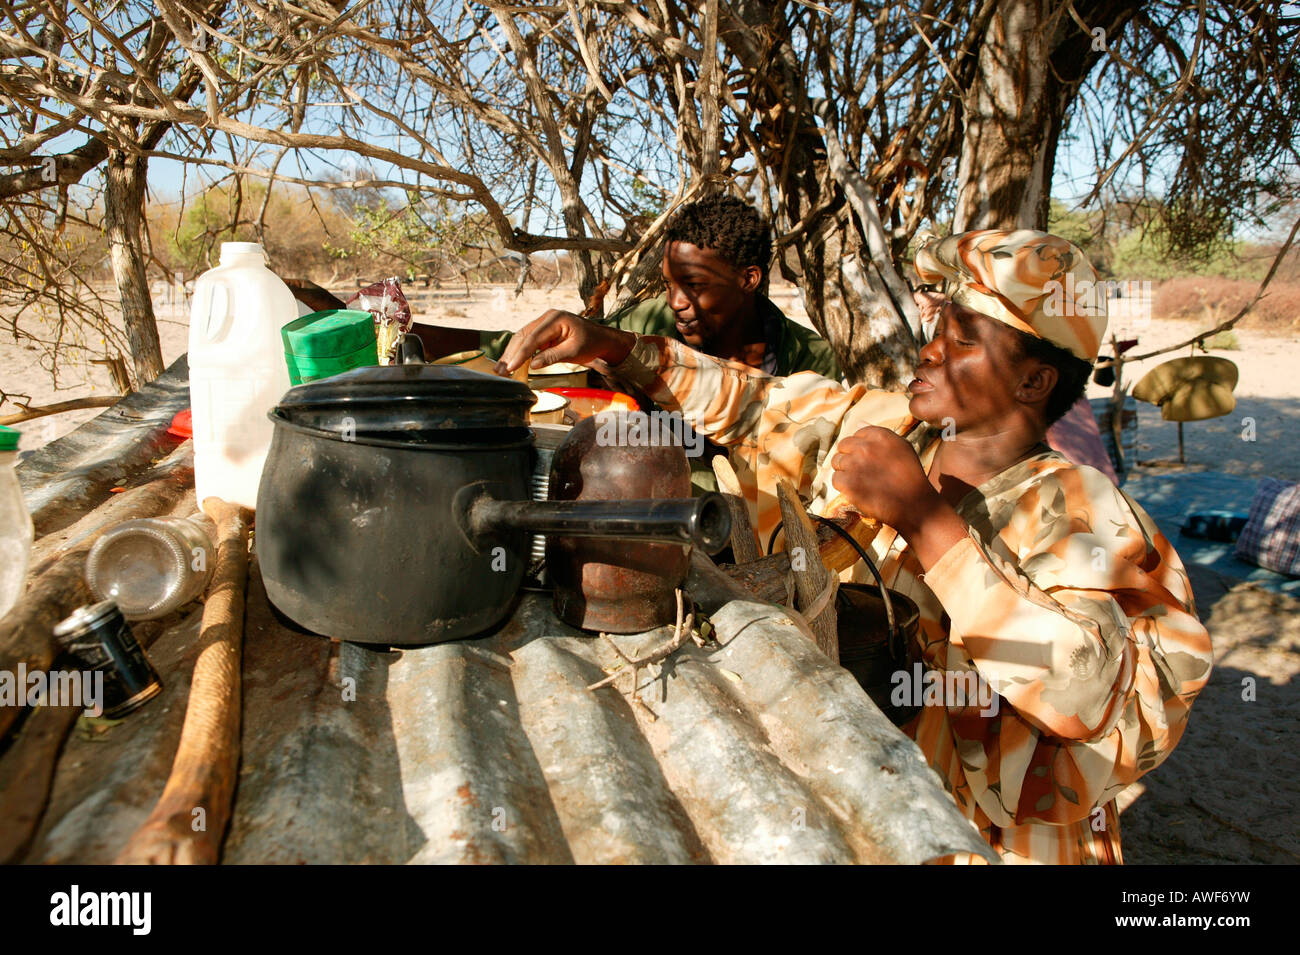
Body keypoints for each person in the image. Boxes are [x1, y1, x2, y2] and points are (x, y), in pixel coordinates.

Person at [496, 229, 1213, 865]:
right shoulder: (895, 428)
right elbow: (754, 404)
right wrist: (612, 346)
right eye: (939, 326)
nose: (931, 349)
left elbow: (1092, 694)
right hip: (883, 808)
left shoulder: (1082, 514)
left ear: (1033, 379)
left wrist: (927, 521)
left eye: (964, 339)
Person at [411, 195, 841, 380]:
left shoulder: (810, 361)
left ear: (748, 279)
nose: (676, 303)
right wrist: (408, 332)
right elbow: (515, 348)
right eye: (670, 284)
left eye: (694, 286)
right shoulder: (650, 320)